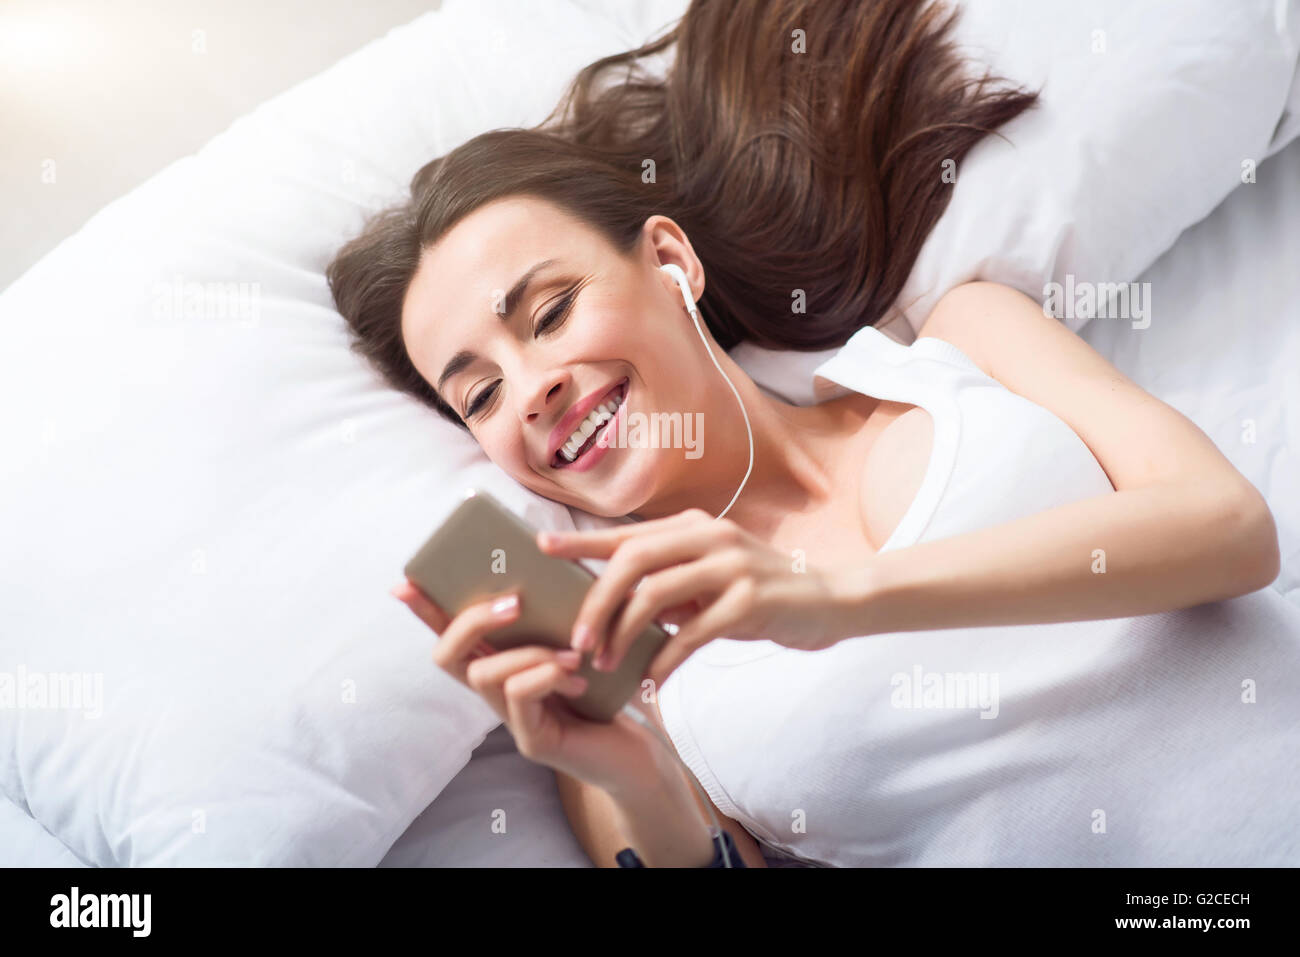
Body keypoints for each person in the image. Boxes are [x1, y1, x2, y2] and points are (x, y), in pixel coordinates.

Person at [330, 0, 1290, 868]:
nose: (530, 392)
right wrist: (643, 780)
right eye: (483, 395)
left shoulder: (962, 343)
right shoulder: (638, 692)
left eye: (548, 315)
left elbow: (1231, 532)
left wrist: (836, 598)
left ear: (670, 259)